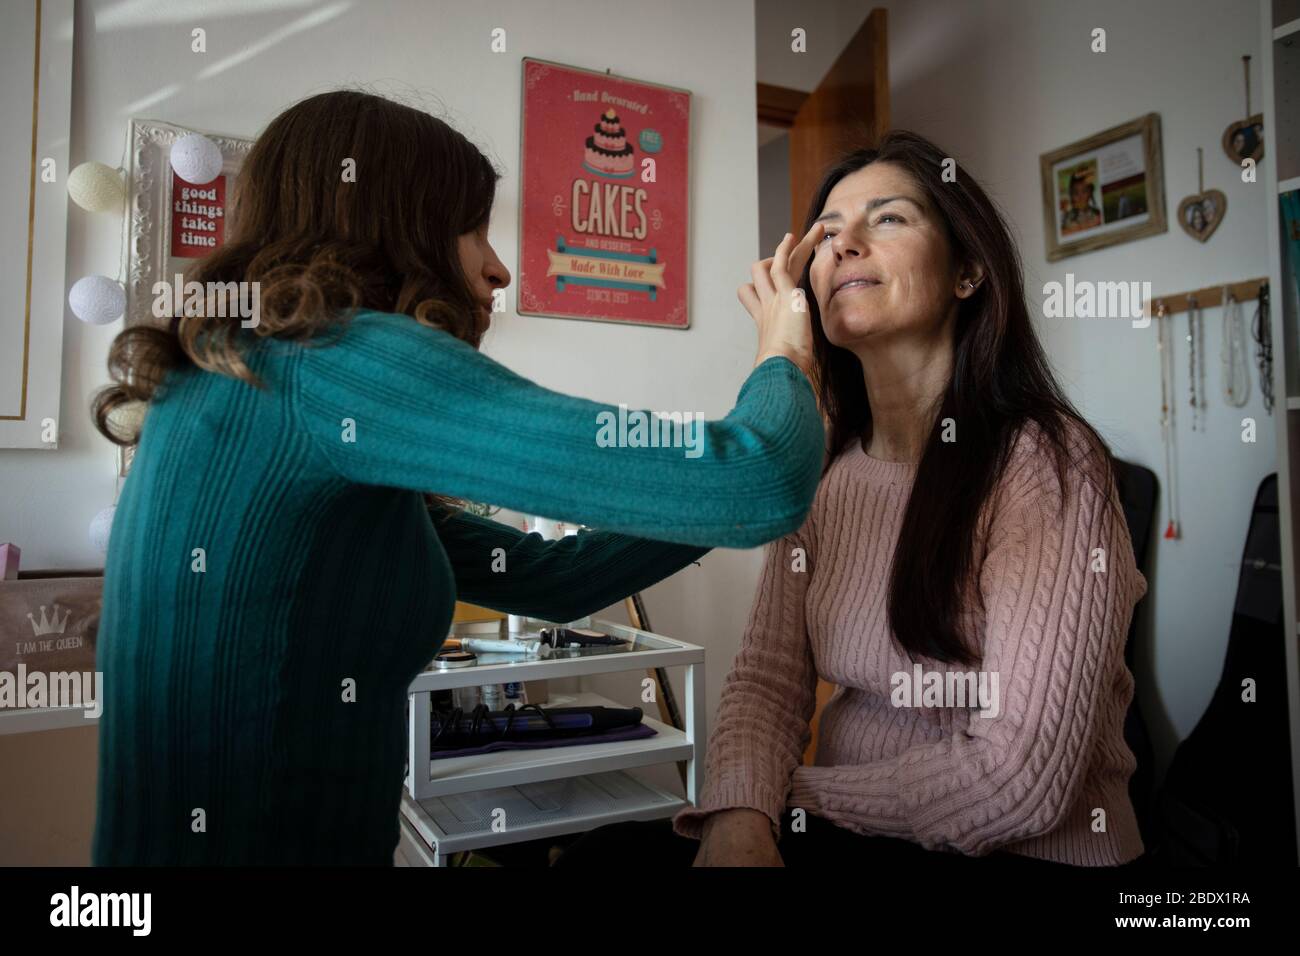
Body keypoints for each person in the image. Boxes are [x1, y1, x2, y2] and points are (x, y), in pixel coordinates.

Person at [90, 90, 826, 865]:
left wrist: (715, 506)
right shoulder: (332, 363)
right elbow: (761, 478)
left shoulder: (244, 377)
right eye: (472, 227)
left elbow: (552, 579)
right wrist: (787, 352)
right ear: (392, 226)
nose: (498, 267)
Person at [557, 130, 1148, 868]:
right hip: (851, 829)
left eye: (888, 219)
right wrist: (740, 814)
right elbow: (769, 682)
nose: (844, 246)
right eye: (828, 233)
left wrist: (782, 802)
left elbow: (1022, 777)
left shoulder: (1046, 463)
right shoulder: (822, 463)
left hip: (1023, 848)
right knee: (596, 858)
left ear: (968, 269)